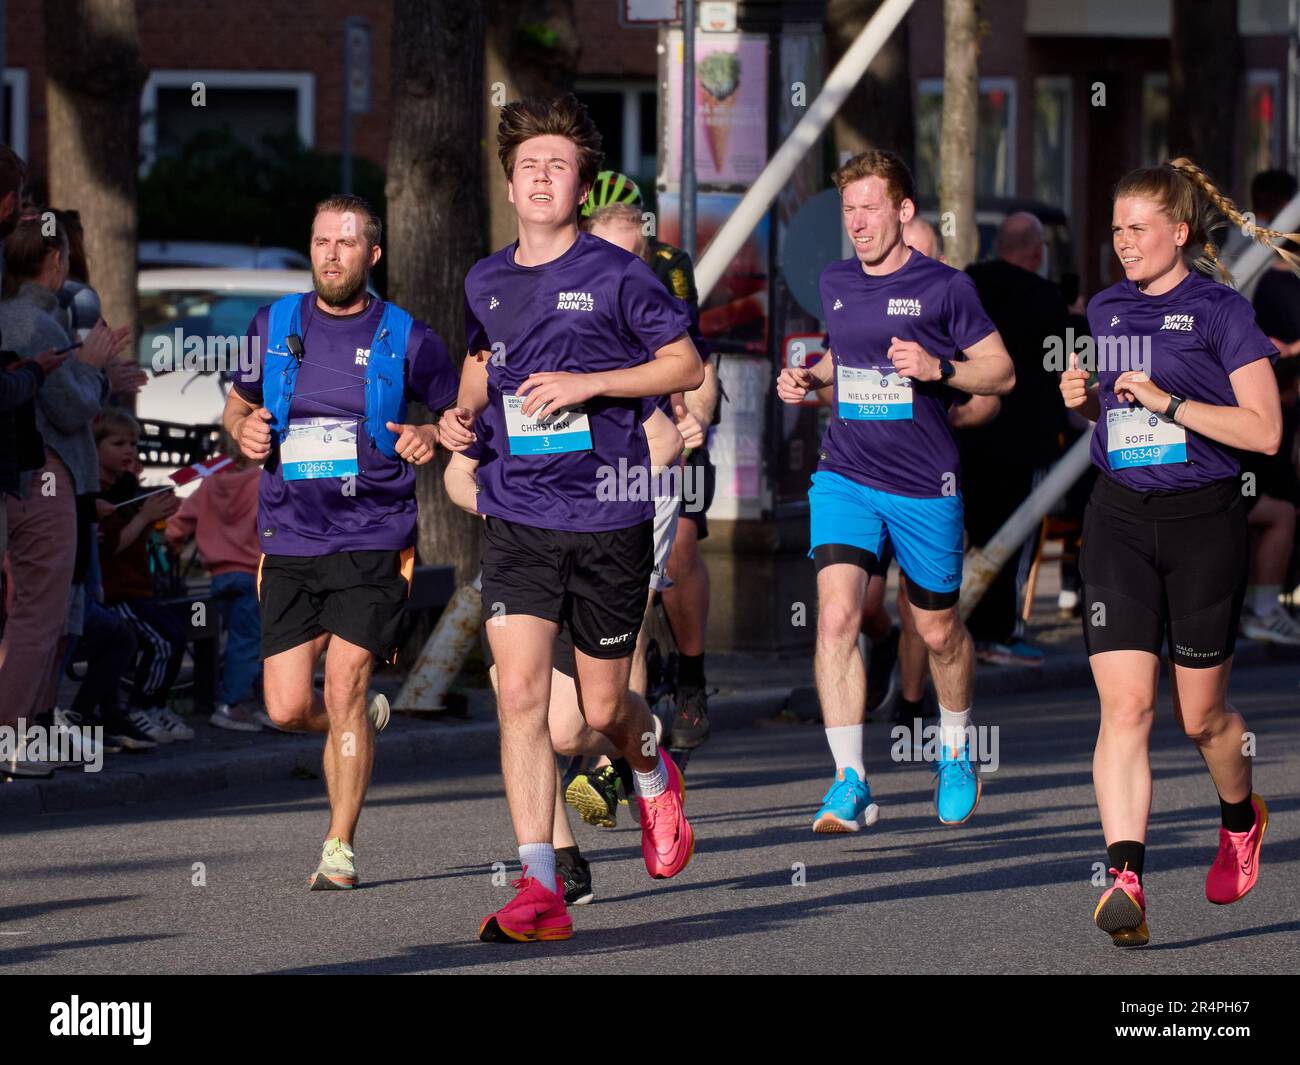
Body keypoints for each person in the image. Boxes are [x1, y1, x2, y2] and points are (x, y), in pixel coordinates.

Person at [439, 93, 704, 943]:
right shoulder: (484, 281)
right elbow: (482, 382)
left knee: (597, 711)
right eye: (528, 167)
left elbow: (683, 362)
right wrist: (456, 421)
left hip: (608, 513)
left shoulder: (619, 274)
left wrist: (590, 385)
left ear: (579, 183)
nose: (542, 178)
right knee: (517, 692)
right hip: (517, 513)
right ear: (511, 186)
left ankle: (650, 760)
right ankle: (540, 886)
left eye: (558, 165)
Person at [1060, 158, 1285, 948]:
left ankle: (1240, 818)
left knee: (1203, 718)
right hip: (1119, 517)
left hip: (1204, 522)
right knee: (1125, 707)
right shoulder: (1107, 307)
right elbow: (1116, 426)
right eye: (1115, 229)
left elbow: (1264, 432)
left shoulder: (1223, 312)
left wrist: (1173, 402)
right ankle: (1125, 876)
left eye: (1137, 229)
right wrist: (1090, 403)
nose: (1122, 242)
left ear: (1179, 232)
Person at [224, 193, 458, 891]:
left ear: (372, 255)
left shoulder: (410, 337)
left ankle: (338, 845)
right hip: (290, 534)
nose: (330, 254)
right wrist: (242, 431)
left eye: (346, 243)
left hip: (373, 536)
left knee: (348, 682)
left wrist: (429, 435)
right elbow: (236, 403)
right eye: (321, 240)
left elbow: (458, 415)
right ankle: (358, 721)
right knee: (288, 707)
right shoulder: (270, 325)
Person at [776, 149, 1013, 832]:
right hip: (846, 475)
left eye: (869, 206)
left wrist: (941, 366)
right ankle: (849, 779)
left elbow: (1000, 372)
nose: (856, 220)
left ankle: (958, 749)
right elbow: (841, 352)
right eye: (848, 208)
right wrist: (811, 379)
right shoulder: (836, 280)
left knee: (937, 629)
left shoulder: (945, 288)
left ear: (903, 211)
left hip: (923, 483)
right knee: (836, 618)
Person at [445, 403, 685, 905]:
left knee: (581, 724)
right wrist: (501, 504)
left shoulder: (597, 369)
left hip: (601, 549)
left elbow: (664, 442)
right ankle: (552, 869)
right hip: (521, 559)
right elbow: (457, 475)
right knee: (518, 700)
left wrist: (598, 501)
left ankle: (648, 763)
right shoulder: (495, 387)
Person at [582, 171, 721, 750]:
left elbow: (695, 364)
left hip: (665, 437)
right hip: (596, 451)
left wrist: (697, 422)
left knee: (676, 554)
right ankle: (605, 722)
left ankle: (690, 676)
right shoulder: (567, 267)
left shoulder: (666, 263)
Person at [0, 209, 130, 775]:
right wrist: (98, 370)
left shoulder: (12, 315)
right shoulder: (40, 324)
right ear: (56, 260)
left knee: (32, 611)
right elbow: (70, 408)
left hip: (27, 475)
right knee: (40, 613)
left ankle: (23, 733)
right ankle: (11, 734)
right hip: (46, 475)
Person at [961, 213, 1071, 666]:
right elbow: (1063, 363)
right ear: (1036, 250)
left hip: (967, 432)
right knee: (1014, 537)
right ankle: (1002, 630)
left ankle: (960, 624)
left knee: (968, 534)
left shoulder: (966, 286)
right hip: (1025, 440)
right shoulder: (1046, 298)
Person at [95, 408, 191, 743]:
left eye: (133, 444)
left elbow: (138, 535)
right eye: (118, 443)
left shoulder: (125, 487)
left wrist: (156, 515)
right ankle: (140, 706)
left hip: (138, 587)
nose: (129, 451)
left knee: (176, 634)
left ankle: (156, 705)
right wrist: (144, 516)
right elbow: (110, 549)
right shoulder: (96, 493)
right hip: (115, 593)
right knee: (161, 641)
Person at [166, 428, 269, 730]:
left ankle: (263, 702)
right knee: (250, 640)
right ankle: (232, 704)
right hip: (253, 574)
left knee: (241, 638)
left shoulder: (209, 484)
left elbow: (178, 524)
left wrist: (172, 541)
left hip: (220, 578)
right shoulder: (262, 482)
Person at [1238, 169, 1300, 644]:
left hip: (1267, 410)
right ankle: (1258, 607)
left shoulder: (1257, 263)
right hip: (1251, 415)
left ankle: (1257, 603)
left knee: (1276, 506)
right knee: (1276, 509)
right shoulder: (1248, 266)